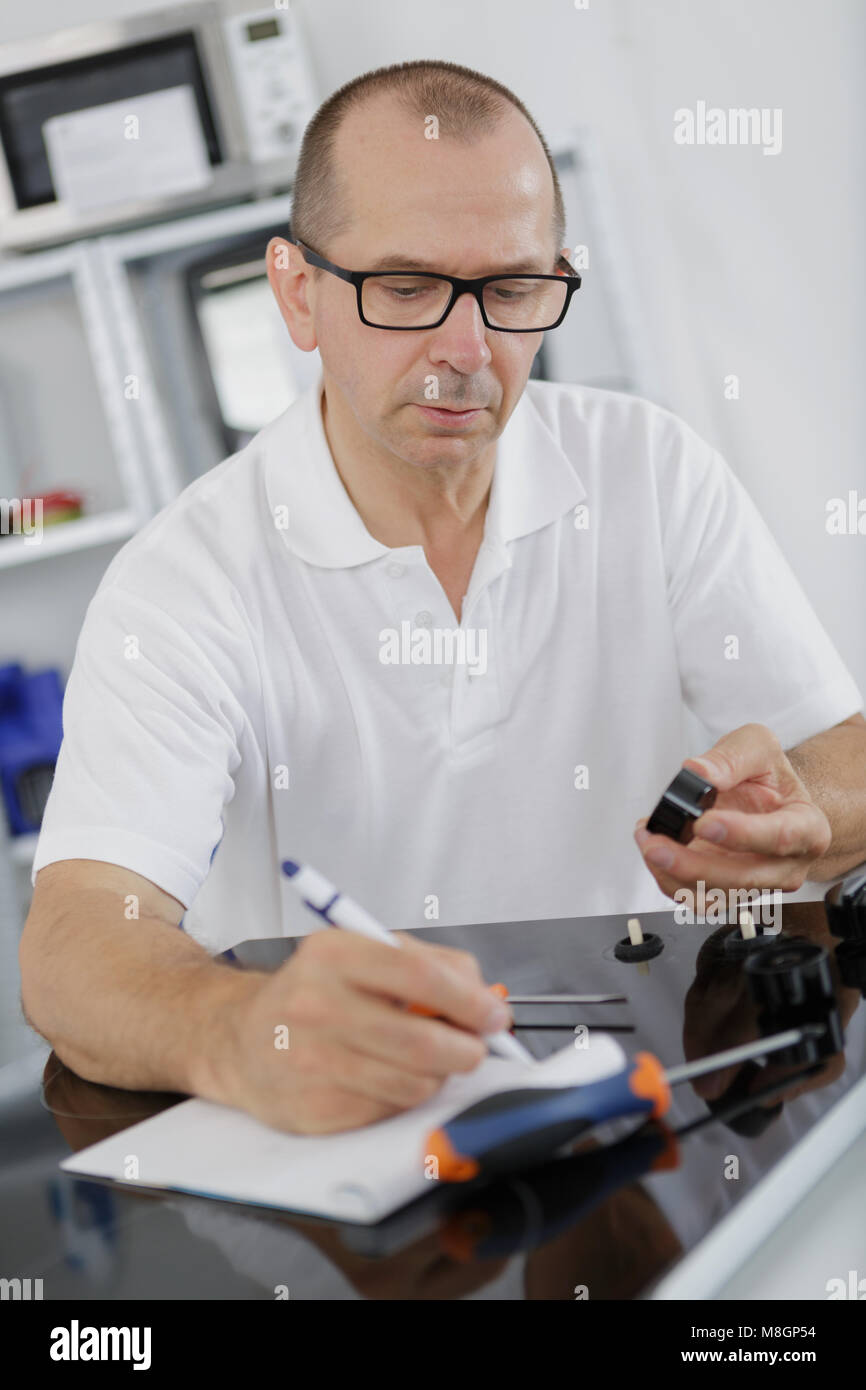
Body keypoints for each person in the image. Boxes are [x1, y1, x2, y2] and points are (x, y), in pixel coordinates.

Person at [19, 61, 866, 1135]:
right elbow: (77, 939)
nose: (463, 354)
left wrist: (805, 812)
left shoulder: (647, 469)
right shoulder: (184, 580)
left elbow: (842, 753)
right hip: (355, 1139)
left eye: (510, 291)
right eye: (406, 287)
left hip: (641, 1093)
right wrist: (246, 1027)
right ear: (296, 292)